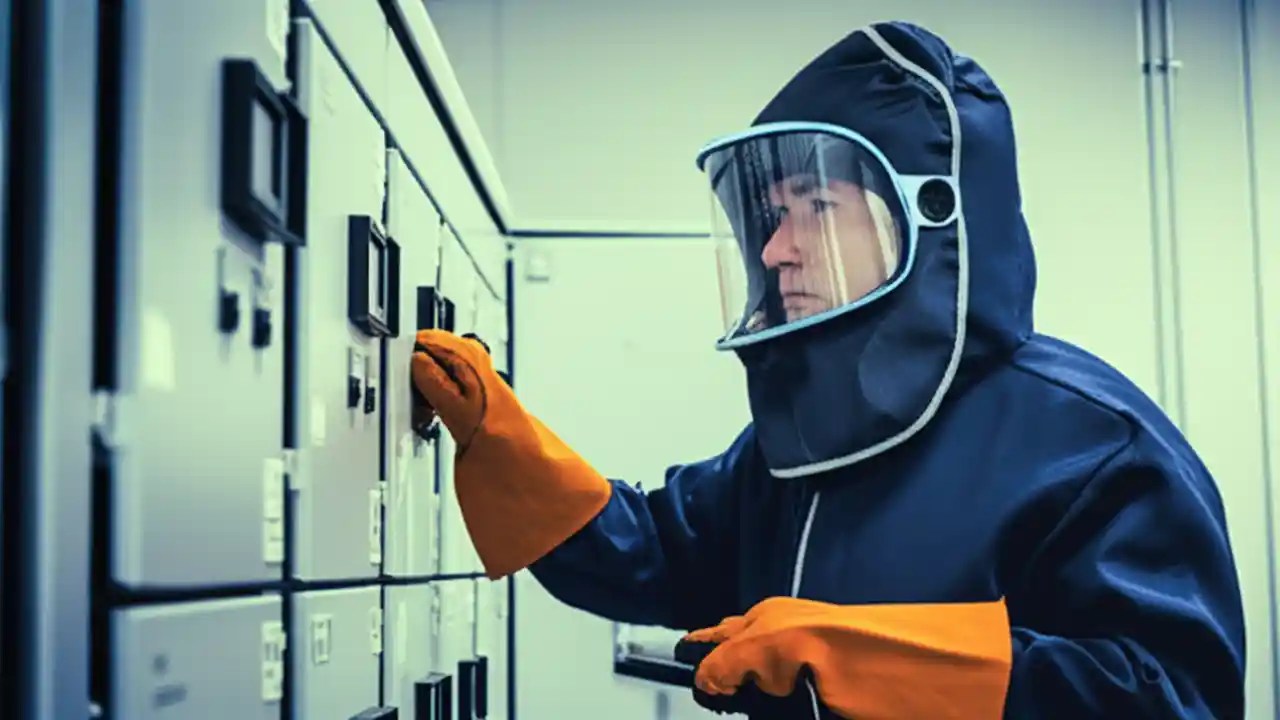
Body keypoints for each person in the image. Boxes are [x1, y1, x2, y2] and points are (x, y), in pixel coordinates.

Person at [410, 20, 1246, 720]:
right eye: (772, 217)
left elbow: (1173, 695)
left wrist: (885, 665)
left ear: (930, 216)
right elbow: (665, 555)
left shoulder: (1097, 445)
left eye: (815, 208)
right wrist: (508, 447)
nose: (775, 249)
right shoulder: (805, 433)